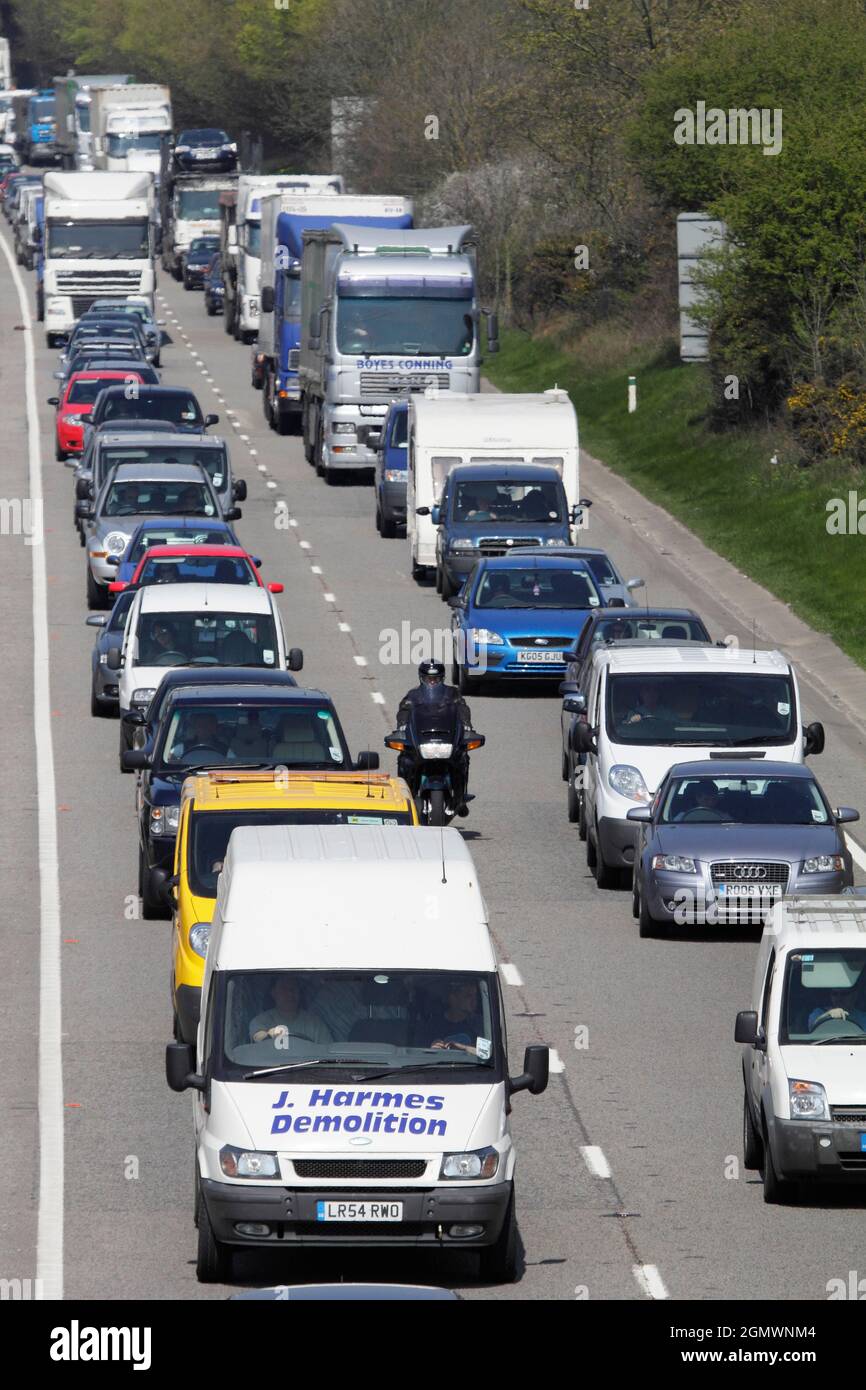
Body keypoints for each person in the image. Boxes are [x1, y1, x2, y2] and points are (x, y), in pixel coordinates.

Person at [395, 660, 474, 816]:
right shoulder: (413, 695)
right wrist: (402, 725)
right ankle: (404, 797)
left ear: (442, 678)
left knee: (463, 756)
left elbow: (462, 708)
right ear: (421, 678)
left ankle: (460, 796)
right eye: (429, 679)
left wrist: (466, 724)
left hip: (444, 736)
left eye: (436, 679)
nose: (432, 682)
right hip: (423, 738)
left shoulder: (452, 694)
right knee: (405, 758)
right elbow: (404, 710)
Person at [250, 976, 333, 1045]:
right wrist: (269, 1034)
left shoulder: (315, 1024)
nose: (290, 993)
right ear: (274, 993)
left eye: (293, 988)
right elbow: (258, 1037)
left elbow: (327, 1052)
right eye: (284, 988)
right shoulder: (261, 1021)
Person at [426, 980, 484, 1055]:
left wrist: (464, 1048)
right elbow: (418, 1054)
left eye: (475, 996)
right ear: (453, 999)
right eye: (468, 996)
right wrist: (433, 1048)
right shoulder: (434, 1024)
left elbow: (485, 1054)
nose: (474, 1000)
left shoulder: (479, 1023)